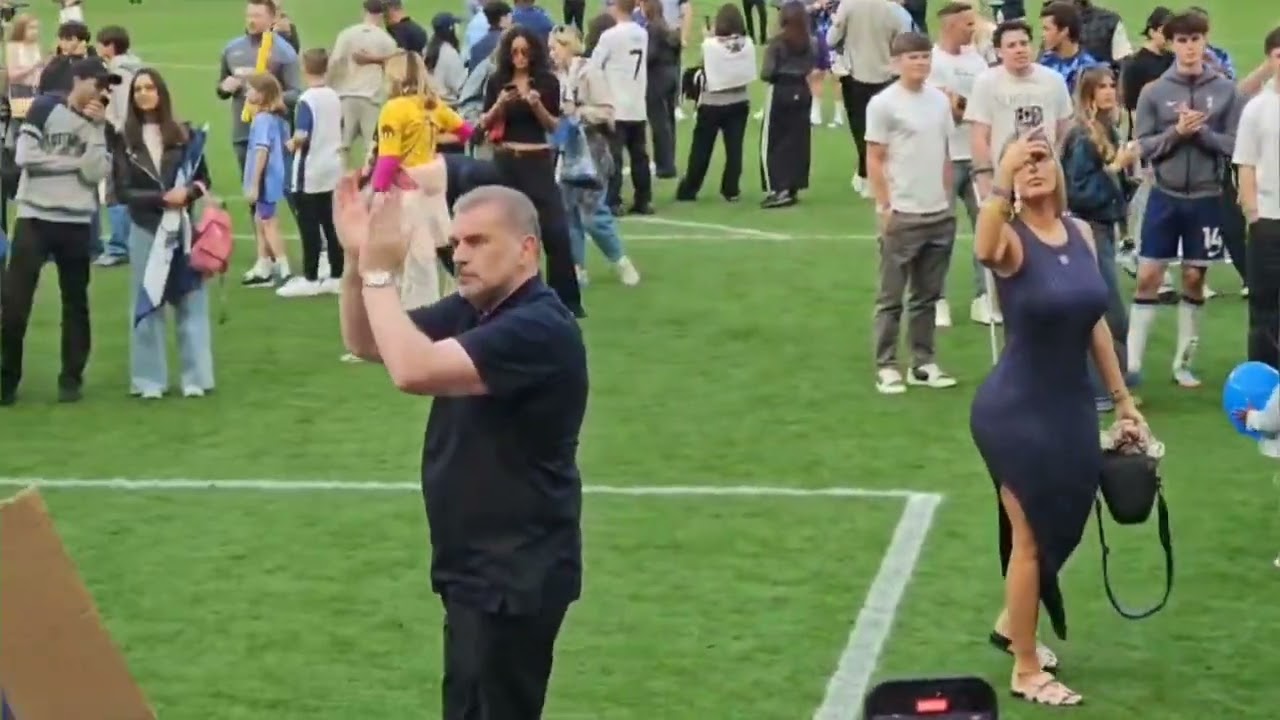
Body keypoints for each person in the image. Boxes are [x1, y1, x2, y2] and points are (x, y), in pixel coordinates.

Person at [335, 181, 587, 720]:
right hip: (474, 567)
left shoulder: (538, 327)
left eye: (477, 241)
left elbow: (413, 370)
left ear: (526, 249)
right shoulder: (474, 308)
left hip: (514, 574)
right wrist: (358, 260)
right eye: (456, 244)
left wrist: (382, 273)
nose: (462, 256)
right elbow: (367, 343)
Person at [970, 131, 1142, 707]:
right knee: (1032, 538)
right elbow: (982, 248)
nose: (1036, 167)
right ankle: (1025, 667)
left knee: (1063, 526)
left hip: (1070, 406)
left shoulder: (1081, 234)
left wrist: (1122, 398)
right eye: (1026, 163)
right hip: (1015, 412)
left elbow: (1094, 321)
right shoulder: (1011, 239)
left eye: (1043, 158)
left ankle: (1009, 622)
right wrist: (1000, 178)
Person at [1128, 10, 1243, 389]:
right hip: (1164, 195)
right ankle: (1131, 363)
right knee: (1148, 276)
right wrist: (1177, 133)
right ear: (1171, 43)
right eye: (1182, 40)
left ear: (1205, 40)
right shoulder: (1154, 92)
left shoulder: (1226, 91)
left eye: (1195, 40)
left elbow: (1236, 146)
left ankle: (1183, 363)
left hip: (1208, 197)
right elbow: (1141, 145)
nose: (1189, 47)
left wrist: (1204, 134)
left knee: (1194, 278)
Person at [0, 58, 116, 406]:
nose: (102, 93)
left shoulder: (100, 124)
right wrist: (71, 165)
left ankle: (71, 379)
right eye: (98, 84)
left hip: (77, 222)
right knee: (15, 305)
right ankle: (6, 381)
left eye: (106, 87)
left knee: (76, 304)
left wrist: (96, 130)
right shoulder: (44, 108)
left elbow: (96, 174)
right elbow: (25, 156)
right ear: (79, 81)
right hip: (35, 217)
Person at [114, 69, 215, 399]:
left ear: (161, 93)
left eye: (150, 87)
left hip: (183, 229)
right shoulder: (123, 140)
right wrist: (161, 199)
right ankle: (148, 380)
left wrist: (188, 194)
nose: (144, 93)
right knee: (146, 302)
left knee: (190, 300)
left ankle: (196, 378)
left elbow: (203, 180)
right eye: (138, 89)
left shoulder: (184, 134)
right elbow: (122, 191)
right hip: (145, 228)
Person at [866, 32, 957, 394]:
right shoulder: (883, 104)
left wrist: (948, 199)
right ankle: (886, 364)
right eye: (912, 57)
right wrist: (885, 205)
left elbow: (946, 152)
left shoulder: (939, 102)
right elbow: (874, 156)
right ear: (896, 62)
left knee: (927, 296)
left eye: (924, 57)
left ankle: (923, 361)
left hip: (938, 212)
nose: (920, 63)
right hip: (903, 211)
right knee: (891, 297)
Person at [479, 26, 584, 317]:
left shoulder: (547, 82)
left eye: (525, 51)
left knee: (555, 231)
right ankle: (499, 296)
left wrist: (536, 104)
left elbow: (553, 127)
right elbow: (484, 124)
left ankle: (566, 301)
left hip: (536, 161)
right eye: (514, 52)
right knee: (501, 231)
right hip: (505, 163)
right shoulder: (497, 80)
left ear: (534, 52)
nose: (519, 57)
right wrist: (500, 104)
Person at [1060, 65, 1137, 410]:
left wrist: (1128, 179)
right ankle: (1102, 388)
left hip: (1104, 228)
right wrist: (1116, 170)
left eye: (1111, 85)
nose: (1109, 92)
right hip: (1088, 230)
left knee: (1107, 312)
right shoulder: (1083, 137)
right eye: (1100, 87)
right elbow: (1078, 192)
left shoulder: (1109, 130)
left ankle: (1111, 380)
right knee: (1107, 314)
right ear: (1088, 95)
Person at [372, 50, 474, 307]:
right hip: (433, 181)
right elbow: (465, 132)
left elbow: (389, 158)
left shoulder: (394, 108)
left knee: (416, 254)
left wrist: (378, 191)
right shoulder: (431, 104)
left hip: (407, 185)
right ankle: (472, 291)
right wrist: (432, 139)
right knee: (443, 242)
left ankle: (419, 312)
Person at [217, 0, 302, 286]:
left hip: (275, 136)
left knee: (291, 195)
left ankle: (319, 249)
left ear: (272, 17)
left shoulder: (284, 52)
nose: (251, 19)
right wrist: (224, 87)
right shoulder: (232, 48)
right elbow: (221, 86)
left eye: (258, 15)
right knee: (255, 199)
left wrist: (270, 98)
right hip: (244, 133)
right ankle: (264, 258)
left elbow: (295, 94)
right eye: (249, 14)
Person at [549, 23, 641, 286]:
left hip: (593, 149)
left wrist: (578, 113)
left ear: (567, 46)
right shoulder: (557, 77)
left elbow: (607, 111)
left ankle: (621, 261)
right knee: (567, 211)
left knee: (592, 212)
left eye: (554, 48)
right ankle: (577, 268)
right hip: (567, 150)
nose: (551, 54)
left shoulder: (590, 73)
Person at [928, 1, 989, 328]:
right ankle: (937, 299)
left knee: (986, 228)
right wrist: (958, 107)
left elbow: (976, 106)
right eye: (967, 24)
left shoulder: (977, 61)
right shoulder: (932, 62)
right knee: (941, 232)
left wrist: (960, 106)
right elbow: (940, 107)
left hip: (977, 157)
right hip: (944, 158)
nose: (973, 28)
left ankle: (984, 297)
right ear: (950, 26)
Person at [1233, 26, 1280, 369]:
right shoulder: (1257, 108)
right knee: (1264, 306)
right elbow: (1245, 165)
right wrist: (1253, 216)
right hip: (1268, 220)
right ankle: (1264, 378)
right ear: (1270, 60)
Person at [675, 3, 754, 203]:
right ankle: (731, 188)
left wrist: (708, 37)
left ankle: (690, 187)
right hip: (739, 101)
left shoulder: (710, 46)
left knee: (702, 148)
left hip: (712, 103)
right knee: (734, 148)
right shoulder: (748, 44)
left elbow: (705, 65)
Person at [281, 49, 344, 298]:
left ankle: (311, 276)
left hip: (310, 169)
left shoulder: (306, 99)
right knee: (331, 223)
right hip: (333, 165)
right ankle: (337, 274)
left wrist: (289, 145)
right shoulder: (334, 96)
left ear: (305, 70)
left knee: (309, 225)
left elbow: (302, 135)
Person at [827, 0, 906, 197]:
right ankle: (879, 174)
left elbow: (831, 38)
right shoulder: (893, 9)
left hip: (856, 74)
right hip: (886, 75)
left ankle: (867, 174)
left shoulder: (849, 5)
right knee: (886, 129)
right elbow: (903, 40)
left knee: (861, 127)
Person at [592, 0, 653, 215]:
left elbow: (595, 65)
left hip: (616, 104)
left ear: (616, 6)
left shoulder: (610, 36)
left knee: (614, 156)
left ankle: (613, 200)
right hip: (637, 102)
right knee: (639, 155)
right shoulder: (642, 33)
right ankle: (644, 199)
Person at [94, 25, 145, 268]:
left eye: (101, 44)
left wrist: (115, 129)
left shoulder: (117, 73)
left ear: (110, 46)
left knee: (115, 191)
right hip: (141, 136)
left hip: (122, 138)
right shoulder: (138, 66)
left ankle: (118, 247)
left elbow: (120, 110)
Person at [758, 1, 817, 209]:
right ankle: (793, 185)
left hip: (780, 90)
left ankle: (778, 187)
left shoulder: (777, 43)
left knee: (773, 141)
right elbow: (812, 65)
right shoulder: (811, 42)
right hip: (802, 89)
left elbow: (766, 73)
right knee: (797, 140)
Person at [329, 0, 399, 162]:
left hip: (345, 96)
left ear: (363, 12)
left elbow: (335, 63)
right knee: (371, 146)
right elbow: (393, 69)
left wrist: (329, 88)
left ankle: (341, 180)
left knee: (342, 146)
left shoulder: (346, 34)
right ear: (381, 15)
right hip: (372, 98)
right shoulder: (386, 40)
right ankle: (369, 181)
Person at [243, 73, 294, 287]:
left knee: (268, 222)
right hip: (276, 175)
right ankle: (263, 263)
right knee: (260, 217)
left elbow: (262, 151)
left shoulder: (263, 119)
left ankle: (283, 268)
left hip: (265, 178)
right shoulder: (278, 118)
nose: (246, 93)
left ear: (262, 94)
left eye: (250, 89)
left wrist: (255, 183)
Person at [642, 0, 681, 179]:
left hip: (656, 78)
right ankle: (669, 161)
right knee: (669, 121)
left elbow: (649, 55)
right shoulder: (668, 29)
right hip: (671, 75)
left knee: (658, 123)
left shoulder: (652, 29)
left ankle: (664, 165)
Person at [1037, 2, 1101, 93]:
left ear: (1064, 31)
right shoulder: (1044, 62)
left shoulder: (1088, 68)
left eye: (1047, 29)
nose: (1042, 35)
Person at [426, 13, 469, 108]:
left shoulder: (428, 49)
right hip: (449, 106)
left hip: (433, 103)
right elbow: (458, 86)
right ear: (451, 29)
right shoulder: (449, 53)